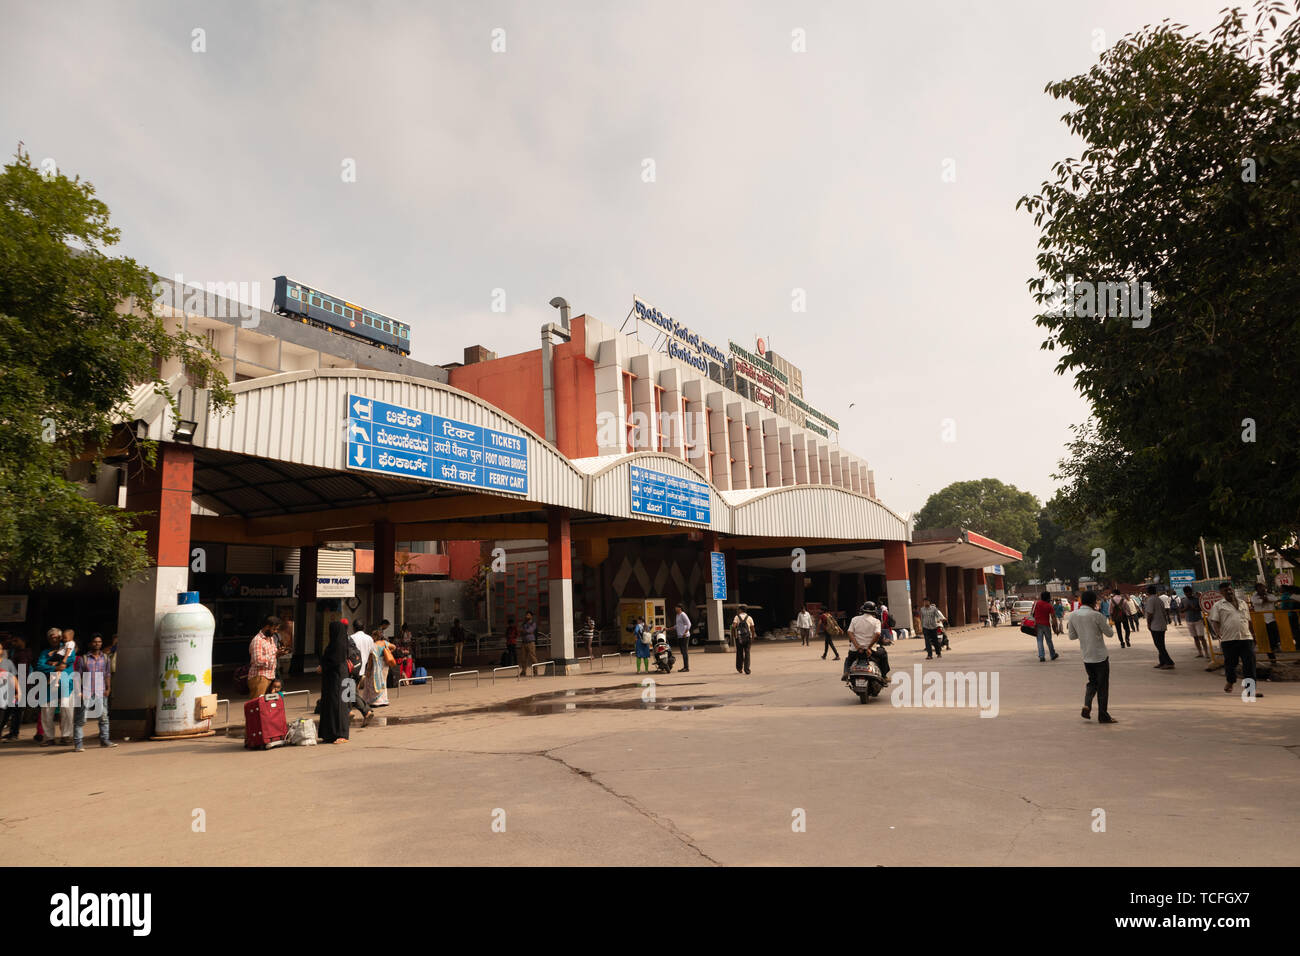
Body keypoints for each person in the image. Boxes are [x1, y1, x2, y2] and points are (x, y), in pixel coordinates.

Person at [1068, 590, 1117, 723]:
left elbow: (1072, 636)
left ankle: (1087, 704)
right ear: (1093, 602)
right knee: (1102, 686)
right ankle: (1103, 715)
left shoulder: (1073, 615)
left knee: (1092, 682)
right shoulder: (1097, 615)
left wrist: (1083, 632)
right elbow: (1110, 634)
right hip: (1100, 656)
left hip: (1086, 656)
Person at [1208, 583, 1263, 697]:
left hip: (1246, 637)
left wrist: (1253, 634)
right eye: (1225, 590)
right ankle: (1230, 681)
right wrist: (1218, 633)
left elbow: (1248, 620)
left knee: (1249, 664)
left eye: (1230, 589)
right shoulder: (1218, 605)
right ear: (1221, 593)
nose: (1229, 592)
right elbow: (1215, 621)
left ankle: (1250, 690)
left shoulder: (1243, 603)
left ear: (1232, 590)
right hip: (1228, 639)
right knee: (1231, 663)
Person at [73, 633, 116, 751]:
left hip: (100, 691)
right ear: (90, 644)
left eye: (99, 642)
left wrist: (108, 688)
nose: (97, 644)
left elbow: (107, 674)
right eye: (94, 642)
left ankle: (105, 740)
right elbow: (77, 676)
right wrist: (78, 692)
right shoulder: (84, 659)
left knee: (103, 717)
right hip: (86, 692)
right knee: (81, 719)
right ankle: (78, 744)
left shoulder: (105, 658)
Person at [36, 628, 75, 746]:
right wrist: (55, 668)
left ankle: (66, 736)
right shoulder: (45, 652)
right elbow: (40, 666)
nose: (54, 639)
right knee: (47, 710)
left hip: (66, 682)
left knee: (67, 709)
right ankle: (49, 738)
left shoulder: (68, 647)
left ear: (60, 637)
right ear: (48, 639)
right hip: (49, 684)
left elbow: (70, 659)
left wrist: (53, 664)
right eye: (51, 637)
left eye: (56, 637)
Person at [317, 620, 351, 744]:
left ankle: (341, 734)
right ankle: (330, 733)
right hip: (334, 678)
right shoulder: (339, 643)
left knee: (338, 705)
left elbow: (334, 660)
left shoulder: (338, 645)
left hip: (337, 679)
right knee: (331, 704)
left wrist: (323, 666)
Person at [843, 601, 886, 682]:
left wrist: (857, 646)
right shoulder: (876, 621)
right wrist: (869, 647)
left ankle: (846, 672)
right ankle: (884, 676)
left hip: (855, 650)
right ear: (874, 611)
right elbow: (877, 634)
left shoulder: (854, 619)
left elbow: (849, 632)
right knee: (883, 655)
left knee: (848, 659)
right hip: (871, 651)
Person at [349, 620, 375, 723]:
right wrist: (368, 668)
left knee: (351, 693)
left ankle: (366, 711)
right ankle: (348, 712)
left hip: (352, 669)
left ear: (354, 628)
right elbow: (371, 654)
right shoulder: (369, 638)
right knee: (350, 691)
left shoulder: (351, 638)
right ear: (363, 627)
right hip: (362, 668)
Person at [247, 616, 281, 698]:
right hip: (260, 677)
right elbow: (257, 660)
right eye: (274, 629)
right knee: (258, 704)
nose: (276, 631)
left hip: (270, 676)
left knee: (267, 705)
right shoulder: (257, 640)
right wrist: (274, 655)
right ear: (267, 627)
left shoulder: (271, 639)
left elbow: (273, 654)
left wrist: (279, 653)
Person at [1143, 584, 1174, 669]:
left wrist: (1148, 624)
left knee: (1159, 645)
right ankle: (1162, 662)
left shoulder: (1150, 600)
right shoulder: (1158, 600)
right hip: (1161, 624)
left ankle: (1169, 662)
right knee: (1161, 645)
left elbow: (1150, 613)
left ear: (1148, 592)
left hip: (1155, 625)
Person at [1250, 583, 1281, 663]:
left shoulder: (1270, 595)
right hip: (1261, 620)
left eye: (1263, 587)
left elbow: (1274, 599)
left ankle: (1275, 647)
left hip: (1271, 619)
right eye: (1260, 588)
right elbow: (1257, 601)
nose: (1263, 589)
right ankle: (1272, 658)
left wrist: (1265, 598)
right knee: (1265, 640)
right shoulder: (1254, 597)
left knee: (1274, 635)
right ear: (1257, 589)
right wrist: (1264, 599)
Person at [369, 629, 397, 706]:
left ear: (375, 636)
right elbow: (394, 646)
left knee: (375, 681)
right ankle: (384, 700)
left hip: (376, 665)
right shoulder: (385, 643)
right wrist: (388, 651)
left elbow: (370, 659)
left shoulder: (373, 645)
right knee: (383, 681)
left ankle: (376, 701)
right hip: (385, 664)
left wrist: (368, 669)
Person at [0, 642, 21, 741]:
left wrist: (18, 691)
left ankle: (12, 733)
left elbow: (13, 678)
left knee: (4, 716)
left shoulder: (8, 663)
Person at [1031, 591, 1059, 662]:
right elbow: (1053, 618)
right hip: (1046, 625)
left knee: (1039, 641)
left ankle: (1042, 656)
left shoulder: (1036, 603)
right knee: (1049, 640)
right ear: (1048, 597)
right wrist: (1056, 628)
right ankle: (1052, 655)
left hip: (1037, 624)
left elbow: (1032, 613)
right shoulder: (1049, 605)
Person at [1183, 586, 1209, 658]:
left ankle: (1206, 652)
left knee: (1201, 637)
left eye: (1189, 592)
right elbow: (1180, 610)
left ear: (1191, 592)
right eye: (1186, 593)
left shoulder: (1197, 599)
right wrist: (1186, 608)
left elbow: (1202, 609)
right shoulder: (1184, 600)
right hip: (1189, 621)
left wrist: (1194, 608)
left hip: (1198, 620)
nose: (1188, 594)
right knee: (1195, 637)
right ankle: (1200, 652)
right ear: (1184, 593)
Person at [731, 605, 756, 675]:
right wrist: (752, 638)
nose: (738, 611)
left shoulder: (737, 617)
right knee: (747, 653)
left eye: (738, 610)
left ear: (740, 610)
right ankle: (747, 670)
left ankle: (739, 668)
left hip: (739, 638)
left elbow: (733, 627)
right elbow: (753, 629)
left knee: (739, 653)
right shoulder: (749, 618)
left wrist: (734, 635)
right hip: (748, 638)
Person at [673, 604, 691, 673]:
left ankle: (686, 667)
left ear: (680, 608)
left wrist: (685, 633)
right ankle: (685, 667)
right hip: (680, 636)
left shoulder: (683, 614)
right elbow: (677, 626)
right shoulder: (677, 615)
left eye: (676, 607)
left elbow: (689, 624)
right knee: (682, 652)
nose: (675, 608)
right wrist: (668, 629)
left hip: (685, 636)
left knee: (684, 652)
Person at [519, 611, 538, 676]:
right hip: (524, 642)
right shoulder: (524, 624)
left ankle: (535, 672)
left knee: (533, 657)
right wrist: (523, 631)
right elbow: (520, 630)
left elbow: (530, 630)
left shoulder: (533, 623)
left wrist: (524, 631)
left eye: (528, 615)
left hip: (531, 642)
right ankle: (523, 671)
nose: (527, 616)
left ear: (531, 616)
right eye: (526, 615)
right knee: (523, 658)